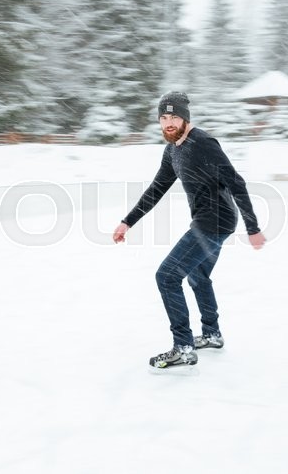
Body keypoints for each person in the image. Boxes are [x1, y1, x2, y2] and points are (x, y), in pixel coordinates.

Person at [112, 92, 267, 369]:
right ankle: (211, 334)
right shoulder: (173, 149)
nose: (168, 123)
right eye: (163, 118)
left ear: (185, 118)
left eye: (173, 117)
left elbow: (236, 183)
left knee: (167, 276)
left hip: (213, 222)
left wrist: (252, 226)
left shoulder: (204, 143)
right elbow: (157, 189)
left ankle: (183, 346)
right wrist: (128, 221)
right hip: (213, 221)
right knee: (197, 275)